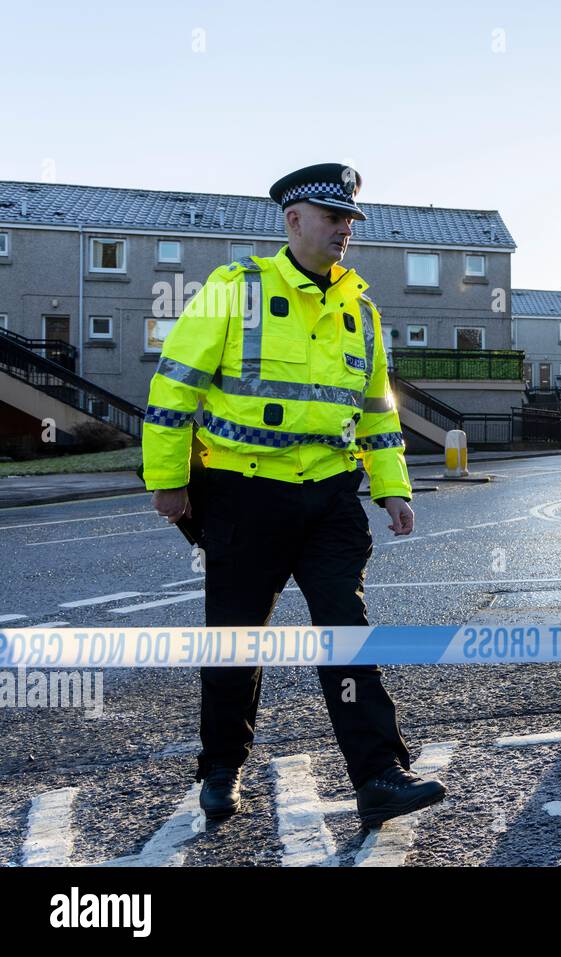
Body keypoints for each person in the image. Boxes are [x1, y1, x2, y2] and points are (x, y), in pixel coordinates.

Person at [142, 163, 446, 829]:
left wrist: (393, 488)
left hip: (331, 502)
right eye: (333, 217)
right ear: (294, 220)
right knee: (235, 638)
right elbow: (174, 387)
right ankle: (222, 767)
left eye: (349, 221)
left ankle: (377, 774)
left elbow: (376, 410)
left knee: (345, 628)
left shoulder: (362, 311)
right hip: (243, 497)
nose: (344, 230)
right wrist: (167, 479)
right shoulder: (235, 289)